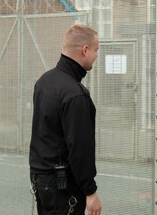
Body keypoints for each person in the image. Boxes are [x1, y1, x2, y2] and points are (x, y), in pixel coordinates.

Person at [29, 24, 102, 215]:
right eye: (96, 50)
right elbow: (79, 148)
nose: (96, 56)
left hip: (41, 180)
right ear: (84, 50)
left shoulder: (44, 82)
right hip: (63, 187)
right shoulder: (75, 95)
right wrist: (90, 191)